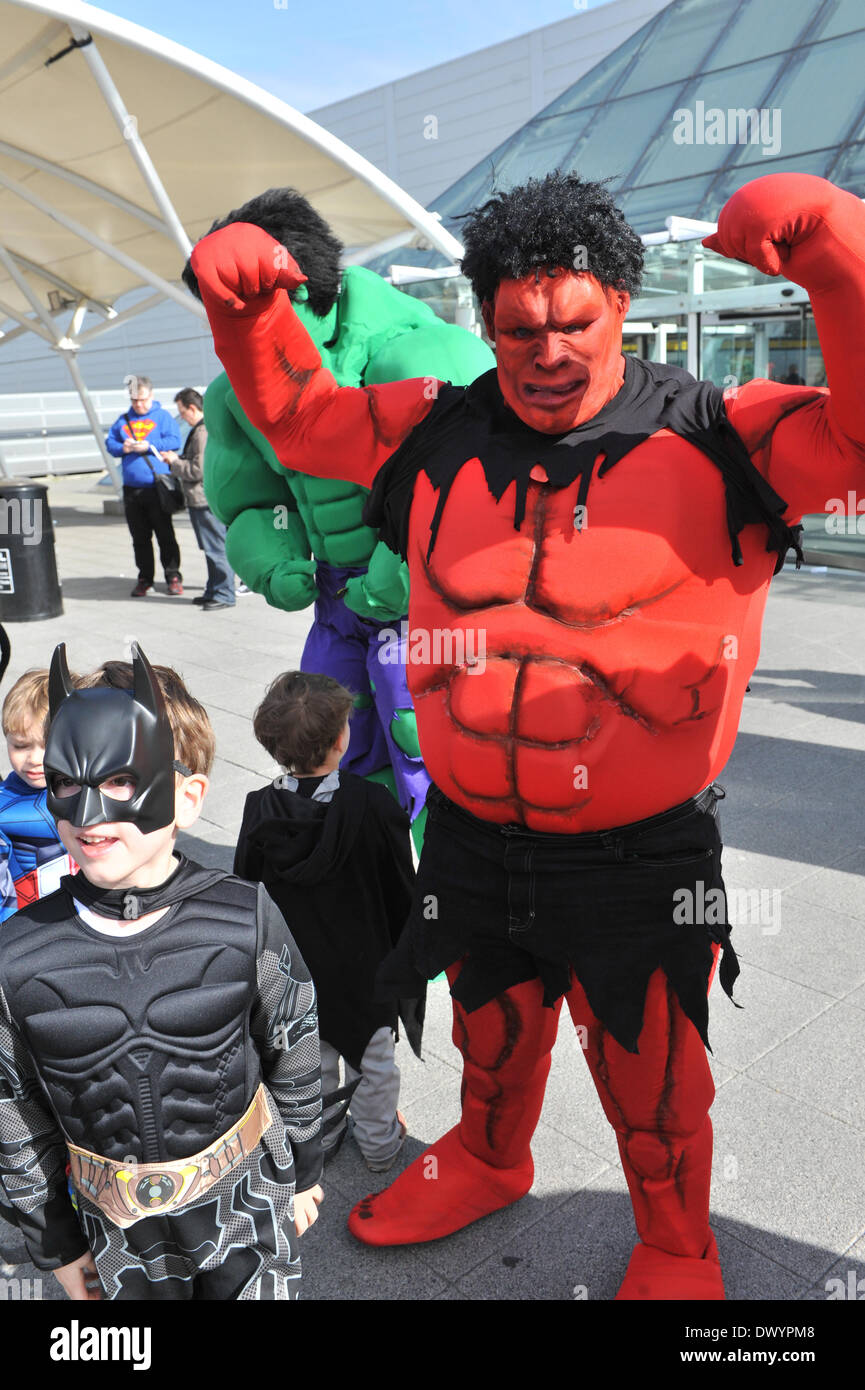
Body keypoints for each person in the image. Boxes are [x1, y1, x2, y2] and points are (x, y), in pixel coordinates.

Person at [191, 168, 865, 1301]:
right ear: (486, 321)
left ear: (622, 307)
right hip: (469, 833)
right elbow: (301, 422)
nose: (546, 350)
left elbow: (852, 445)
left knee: (649, 1069)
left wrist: (840, 261)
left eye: (573, 324)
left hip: (638, 852)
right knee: (488, 1029)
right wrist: (246, 312)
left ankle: (675, 1242)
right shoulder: (431, 428)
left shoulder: (718, 434)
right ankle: (493, 1159)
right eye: (517, 329)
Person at [0, 644, 323, 1300]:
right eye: (67, 781)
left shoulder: (245, 918)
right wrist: (54, 1242)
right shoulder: (18, 956)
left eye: (121, 780)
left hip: (248, 1203)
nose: (88, 812)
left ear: (186, 797)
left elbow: (293, 1039)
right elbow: (14, 1107)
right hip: (114, 1230)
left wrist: (307, 1169)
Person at [183, 188, 494, 847]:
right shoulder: (236, 391)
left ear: (289, 291)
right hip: (337, 601)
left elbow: (482, 492)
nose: (222, 338)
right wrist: (273, 557)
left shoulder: (419, 352)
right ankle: (367, 894)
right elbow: (253, 497)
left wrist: (409, 563)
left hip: (430, 610)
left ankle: (451, 918)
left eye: (230, 313)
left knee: (429, 750)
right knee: (325, 744)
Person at [234, 671, 416, 1172]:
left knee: (310, 1066)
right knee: (374, 1063)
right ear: (341, 740)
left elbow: (246, 891)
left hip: (294, 973)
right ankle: (380, 1145)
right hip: (365, 969)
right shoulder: (374, 805)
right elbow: (401, 886)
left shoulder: (259, 810)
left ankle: (323, 1138)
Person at [0, 668, 75, 909]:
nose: (34, 759)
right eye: (20, 746)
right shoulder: (5, 809)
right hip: (31, 924)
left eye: (47, 746)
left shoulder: (93, 788)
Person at [105, 375, 183, 597]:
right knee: (139, 537)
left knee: (165, 534)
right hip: (132, 489)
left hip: (156, 487)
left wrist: (149, 445)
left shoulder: (163, 417)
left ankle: (173, 576)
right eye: (134, 401)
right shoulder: (123, 420)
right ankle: (145, 578)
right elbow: (110, 443)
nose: (138, 404)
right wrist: (126, 448)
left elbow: (174, 440)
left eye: (142, 400)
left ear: (152, 396)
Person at [161, 388, 235, 611]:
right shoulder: (203, 429)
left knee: (215, 548)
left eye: (182, 412)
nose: (182, 416)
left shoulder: (202, 432)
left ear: (192, 408)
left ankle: (224, 593)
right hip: (202, 498)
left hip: (203, 499)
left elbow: (197, 470)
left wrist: (174, 462)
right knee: (211, 547)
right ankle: (214, 589)